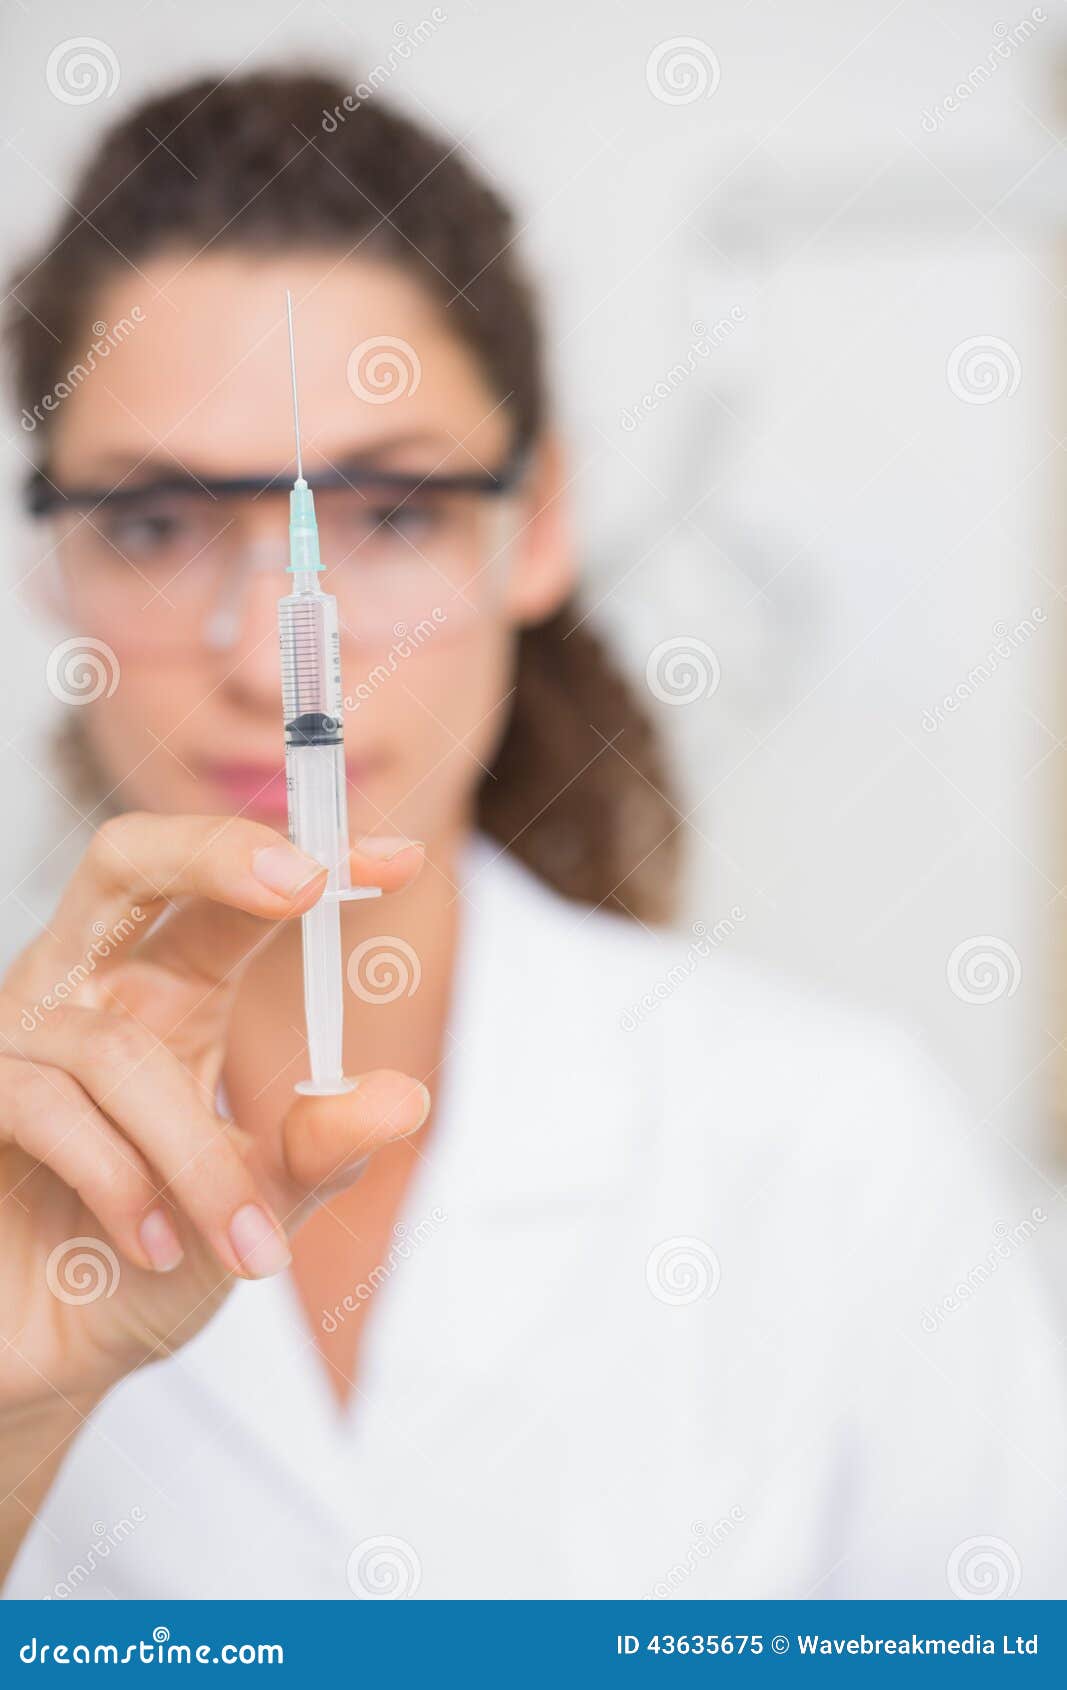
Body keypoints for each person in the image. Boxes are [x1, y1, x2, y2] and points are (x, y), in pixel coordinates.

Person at [0, 70, 1062, 1602]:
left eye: (393, 511)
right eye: (155, 524)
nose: (264, 651)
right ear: (52, 560)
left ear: (539, 519)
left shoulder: (835, 1154)